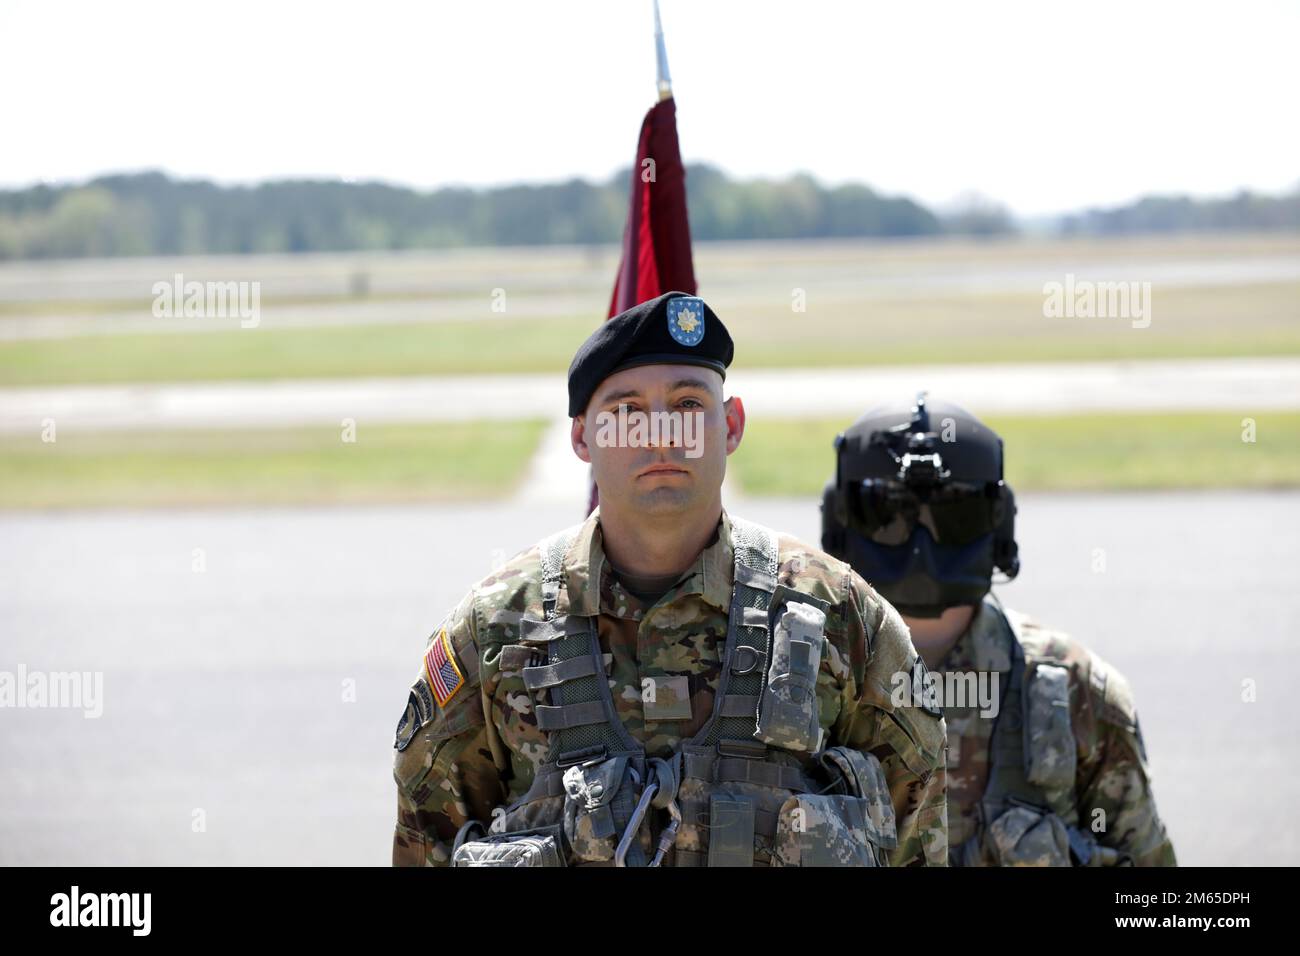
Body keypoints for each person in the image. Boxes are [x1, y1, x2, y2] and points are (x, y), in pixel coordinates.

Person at [391, 291, 948, 867]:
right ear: (581, 438)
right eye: (627, 412)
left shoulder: (838, 613)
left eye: (687, 405)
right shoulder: (496, 626)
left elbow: (917, 821)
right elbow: (428, 832)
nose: (660, 435)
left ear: (730, 425)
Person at [821, 394, 1176, 866]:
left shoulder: (1077, 692)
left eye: (954, 512)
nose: (921, 542)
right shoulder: (793, 679)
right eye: (888, 513)